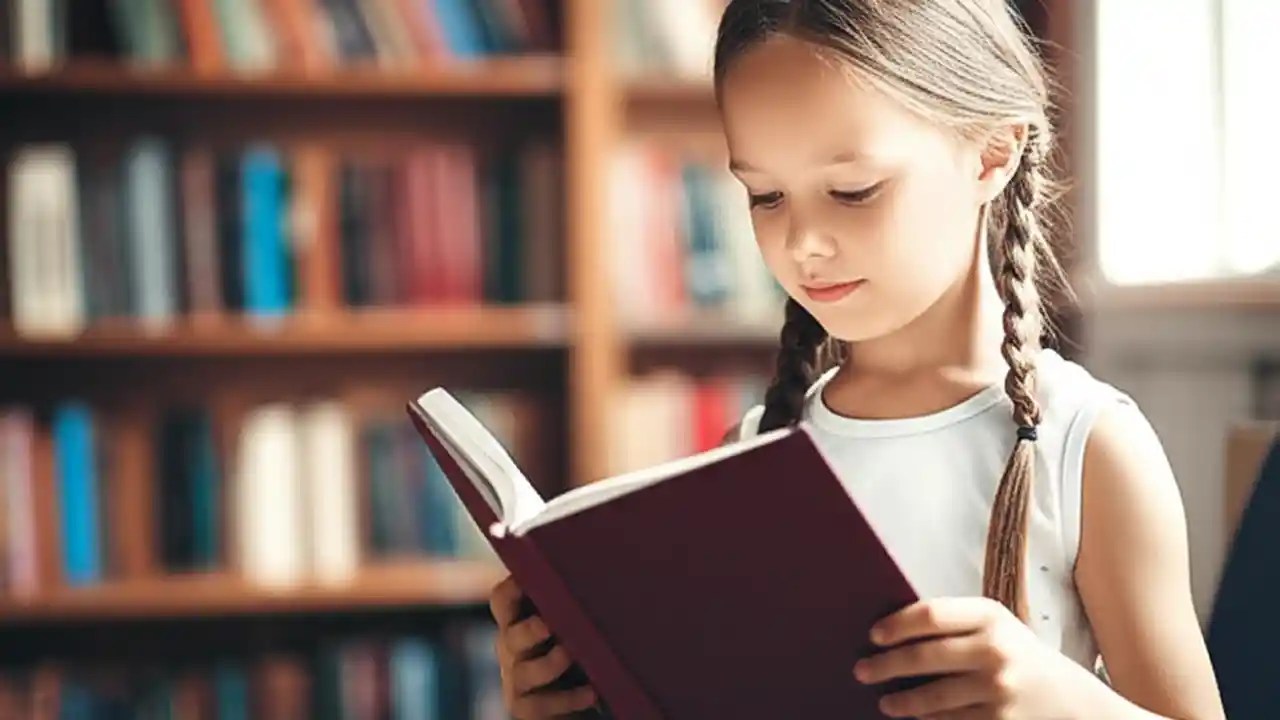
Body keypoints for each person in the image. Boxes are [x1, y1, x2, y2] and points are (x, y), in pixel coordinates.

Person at [489, 0, 1226, 717]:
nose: (804, 241)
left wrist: (1057, 701)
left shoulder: (1086, 448)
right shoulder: (752, 454)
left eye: (853, 190)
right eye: (766, 195)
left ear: (993, 153)